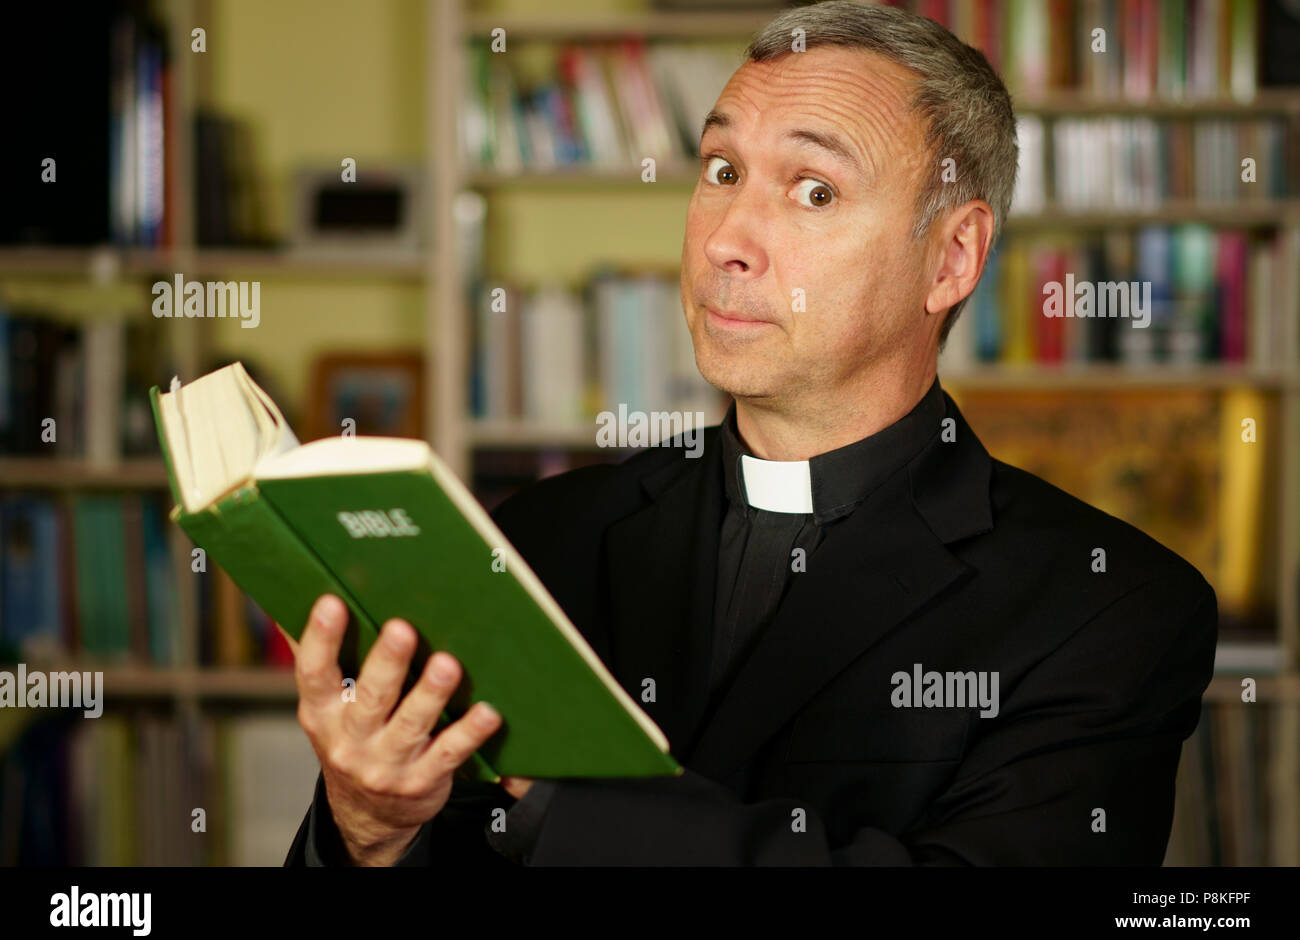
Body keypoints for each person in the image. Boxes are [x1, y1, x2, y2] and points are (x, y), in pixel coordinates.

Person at [285, 1, 1217, 867]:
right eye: (722, 171)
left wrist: (561, 804)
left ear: (952, 257)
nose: (728, 236)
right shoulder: (534, 539)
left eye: (813, 191)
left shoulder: (1111, 610)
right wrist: (367, 832)